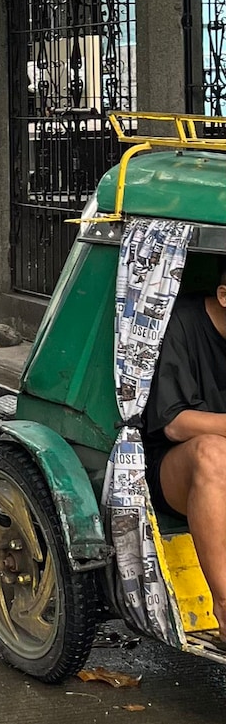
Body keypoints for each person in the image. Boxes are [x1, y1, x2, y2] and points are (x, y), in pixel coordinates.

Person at [142, 260, 226, 650]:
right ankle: (225, 609)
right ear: (224, 297)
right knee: (214, 452)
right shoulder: (183, 323)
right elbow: (174, 423)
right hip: (179, 470)